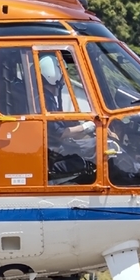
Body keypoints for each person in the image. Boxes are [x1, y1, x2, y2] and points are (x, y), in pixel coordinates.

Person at [39, 53, 97, 184]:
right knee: (101, 146)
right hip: (54, 152)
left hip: (54, 150)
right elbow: (60, 133)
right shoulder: (45, 101)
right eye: (62, 72)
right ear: (53, 74)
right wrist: (86, 126)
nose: (64, 78)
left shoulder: (46, 98)